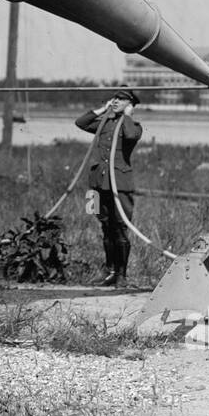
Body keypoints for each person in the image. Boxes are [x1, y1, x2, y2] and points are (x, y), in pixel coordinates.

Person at [75, 89, 142, 287]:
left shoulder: (134, 126)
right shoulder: (104, 123)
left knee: (120, 228)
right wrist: (102, 110)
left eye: (120, 99)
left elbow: (130, 136)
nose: (115, 101)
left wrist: (128, 115)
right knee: (104, 226)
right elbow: (81, 122)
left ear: (130, 104)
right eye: (114, 98)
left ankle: (122, 275)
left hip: (120, 185)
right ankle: (109, 271)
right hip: (96, 184)